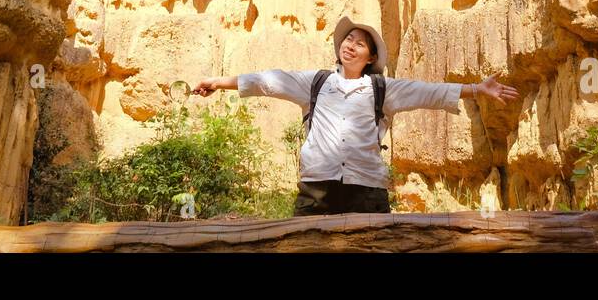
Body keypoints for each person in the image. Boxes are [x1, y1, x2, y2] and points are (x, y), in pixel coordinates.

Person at [192, 15, 519, 216]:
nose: (351, 45)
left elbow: (427, 91)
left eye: (360, 44)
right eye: (348, 39)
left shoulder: (382, 88)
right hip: (316, 188)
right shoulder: (315, 82)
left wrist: (477, 88)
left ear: (371, 56)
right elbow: (269, 81)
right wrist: (219, 83)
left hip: (366, 188)